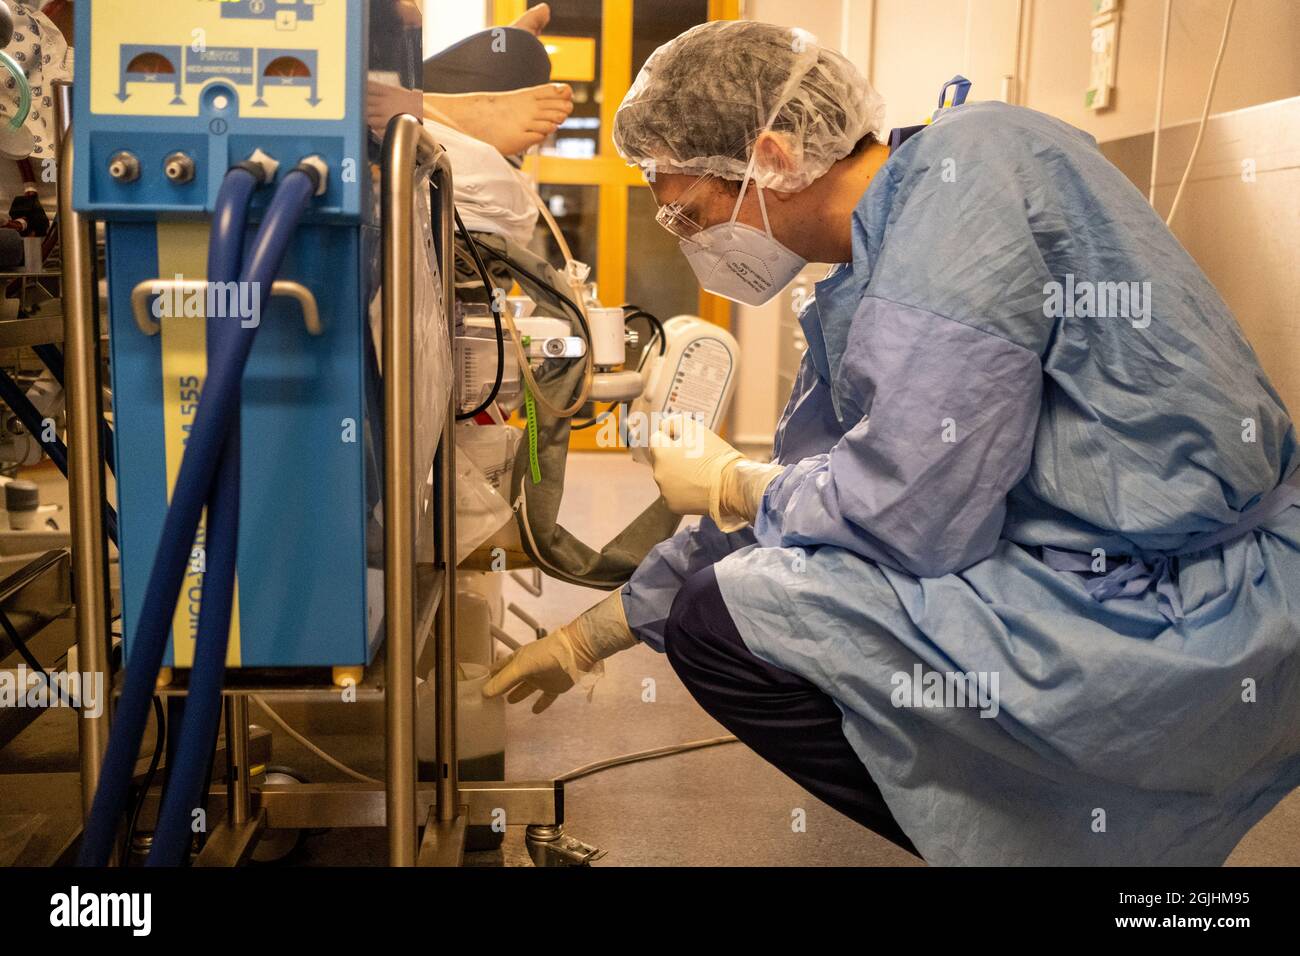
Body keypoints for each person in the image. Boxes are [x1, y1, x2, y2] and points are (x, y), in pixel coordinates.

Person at [483, 19, 1300, 866]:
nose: (688, 238)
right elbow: (819, 481)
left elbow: (912, 512)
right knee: (722, 593)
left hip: (1183, 599)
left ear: (769, 154)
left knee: (722, 621)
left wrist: (738, 482)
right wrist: (595, 634)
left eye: (689, 210)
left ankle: (1041, 840)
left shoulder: (964, 190)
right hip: (1098, 557)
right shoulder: (892, 241)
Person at [366, 3, 573, 155]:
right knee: (518, 53)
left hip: (380, 75)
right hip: (367, 92)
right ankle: (445, 114)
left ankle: (507, 58)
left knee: (520, 51)